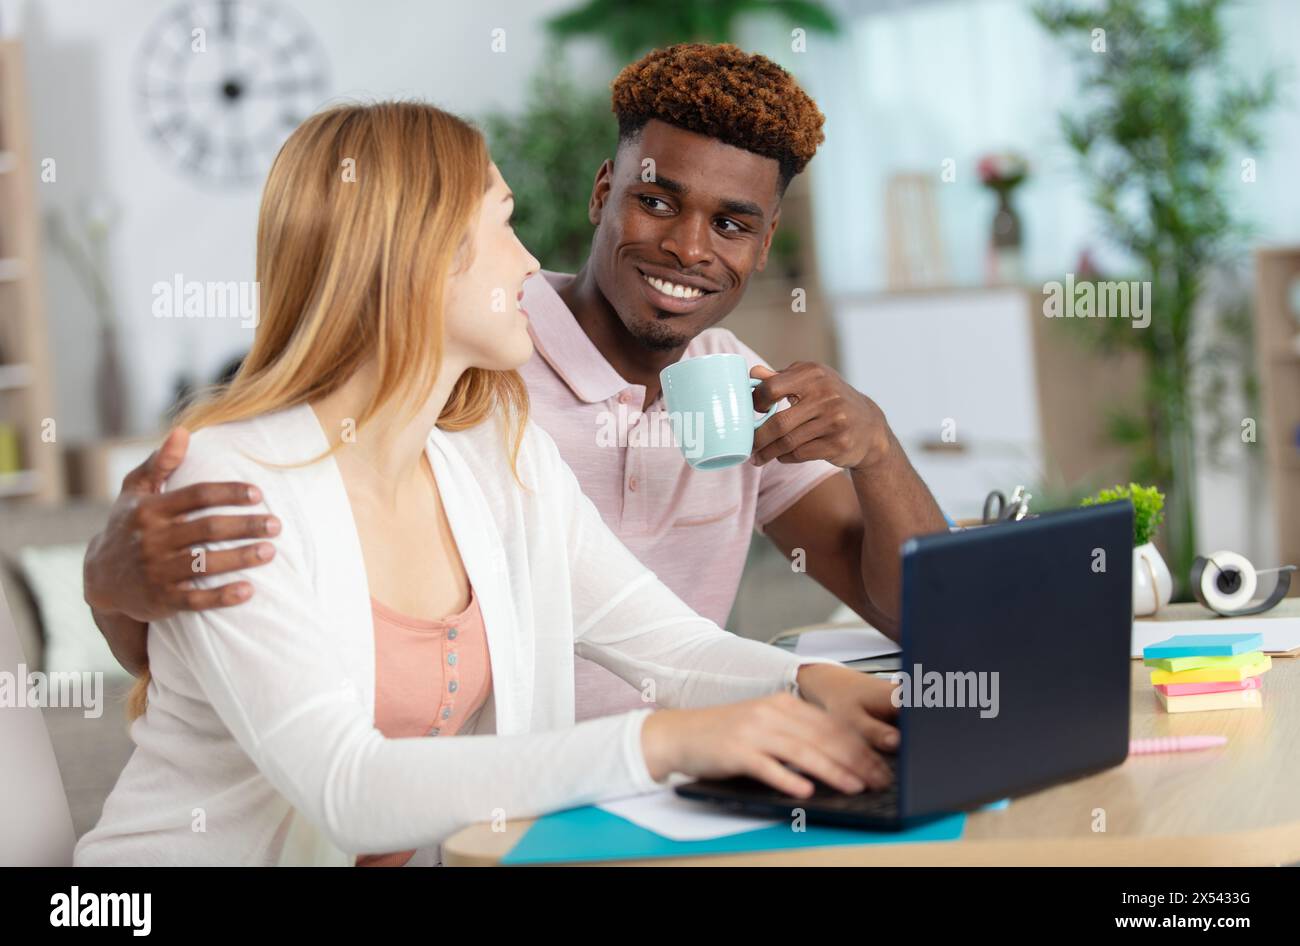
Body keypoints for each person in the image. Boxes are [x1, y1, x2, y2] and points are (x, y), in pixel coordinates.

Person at [74, 101, 899, 866]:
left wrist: (809, 684)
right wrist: (676, 742)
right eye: (504, 223)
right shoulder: (235, 480)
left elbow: (668, 646)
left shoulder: (496, 459)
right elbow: (348, 790)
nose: (530, 260)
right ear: (419, 251)